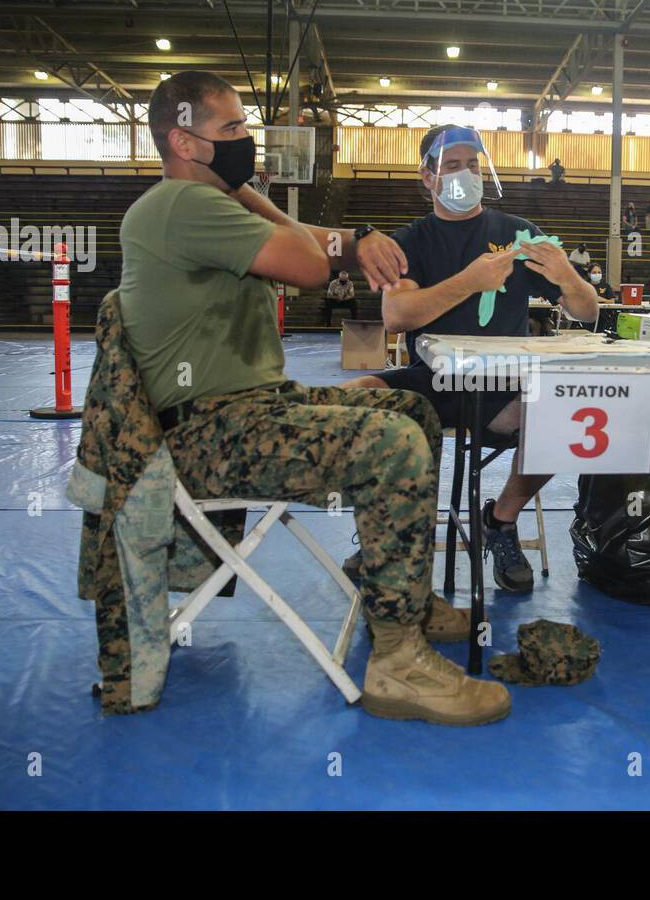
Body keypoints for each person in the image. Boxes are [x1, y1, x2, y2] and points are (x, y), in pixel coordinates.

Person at [118, 72, 508, 726]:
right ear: (184, 141)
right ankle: (398, 663)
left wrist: (319, 227)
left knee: (409, 409)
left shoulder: (214, 205)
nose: (248, 139)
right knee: (392, 444)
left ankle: (391, 583)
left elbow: (311, 240)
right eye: (232, 129)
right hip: (209, 434)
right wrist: (353, 242)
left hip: (248, 412)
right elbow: (306, 262)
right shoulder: (184, 205)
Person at [346, 125, 599, 594]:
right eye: (453, 165)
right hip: (435, 384)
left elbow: (587, 312)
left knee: (563, 413)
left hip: (506, 389)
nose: (466, 174)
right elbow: (398, 315)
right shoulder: (411, 241)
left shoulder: (518, 234)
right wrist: (470, 280)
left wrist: (568, 278)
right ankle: (384, 532)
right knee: (353, 399)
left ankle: (501, 520)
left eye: (473, 164)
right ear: (427, 177)